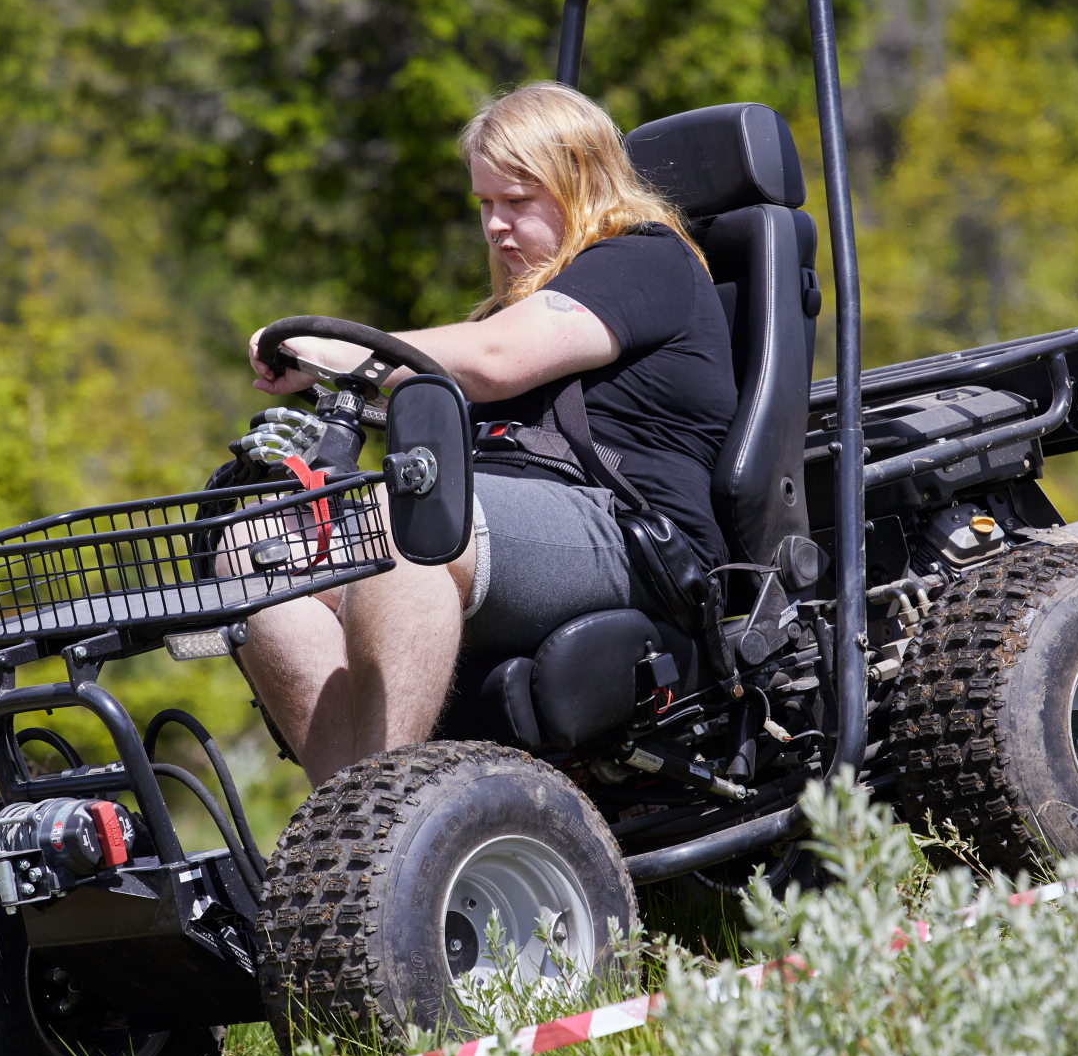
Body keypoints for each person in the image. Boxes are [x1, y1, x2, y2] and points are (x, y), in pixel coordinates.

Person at [234, 81, 735, 785]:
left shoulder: (643, 259)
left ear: (580, 183)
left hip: (632, 535)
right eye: (485, 204)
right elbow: (464, 364)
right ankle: (347, 816)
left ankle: (384, 812)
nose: (496, 226)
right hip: (504, 524)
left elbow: (499, 361)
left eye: (517, 201)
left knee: (406, 527)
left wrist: (331, 344)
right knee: (254, 554)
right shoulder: (499, 310)